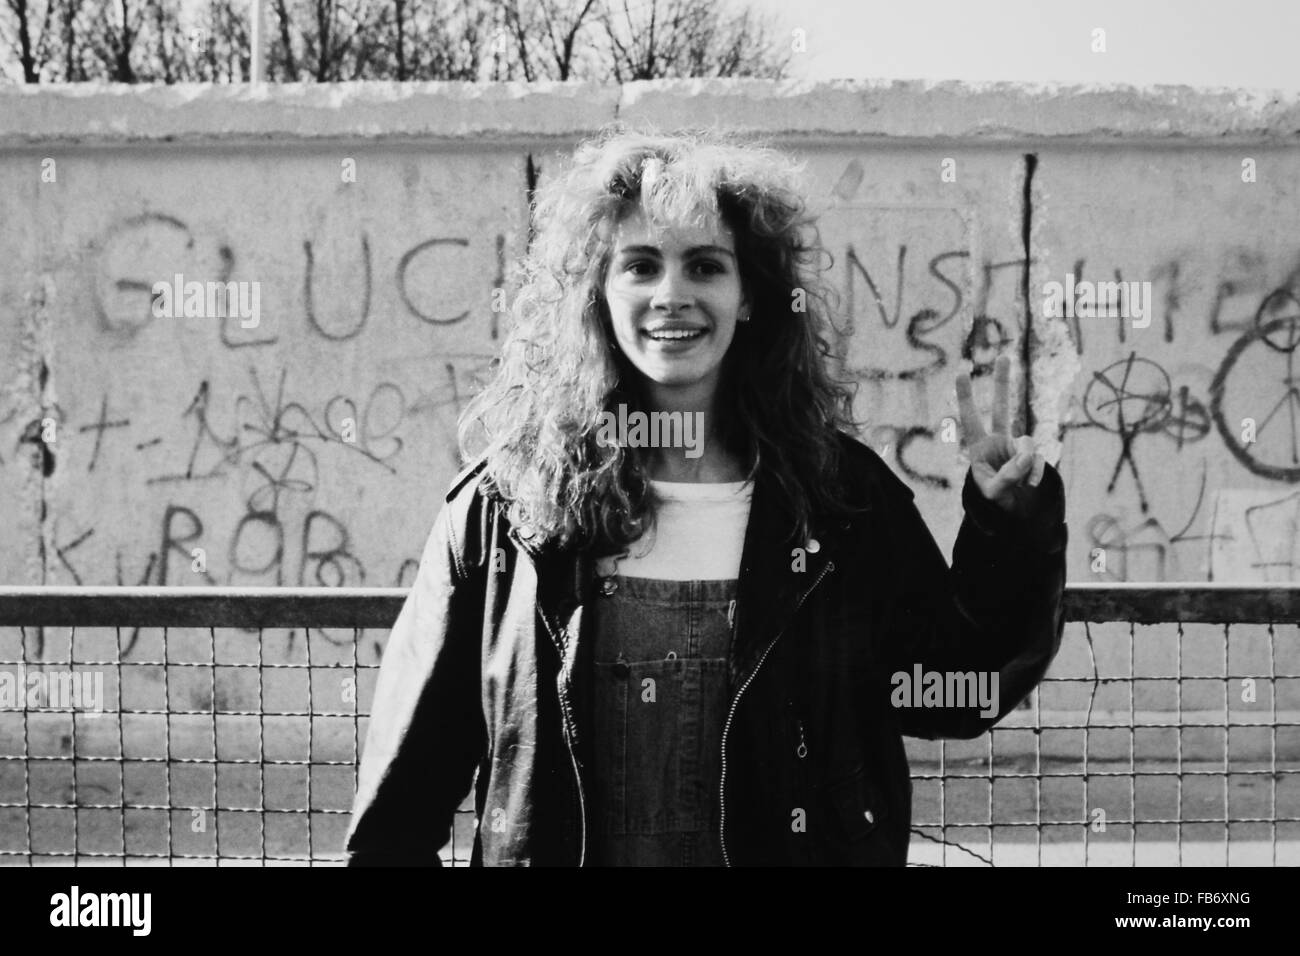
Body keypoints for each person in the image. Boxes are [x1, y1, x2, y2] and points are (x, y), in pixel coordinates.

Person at [344, 125, 1067, 867]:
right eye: (641, 265)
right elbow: (401, 802)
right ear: (598, 293)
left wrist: (1011, 527)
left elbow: (956, 691)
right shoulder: (507, 511)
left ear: (749, 296)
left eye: (705, 265)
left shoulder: (839, 499)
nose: (672, 295)